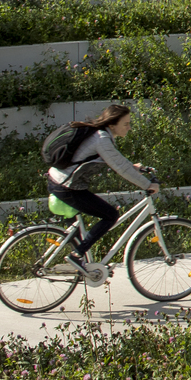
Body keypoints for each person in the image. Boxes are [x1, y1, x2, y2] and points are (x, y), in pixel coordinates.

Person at [46, 103, 157, 270]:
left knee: (80, 230)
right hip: (66, 186)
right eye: (125, 124)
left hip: (59, 181)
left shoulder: (100, 135)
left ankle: (76, 261)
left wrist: (135, 168)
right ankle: (76, 255)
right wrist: (148, 185)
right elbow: (120, 167)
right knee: (110, 215)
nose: (129, 128)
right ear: (112, 125)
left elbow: (115, 161)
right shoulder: (102, 139)